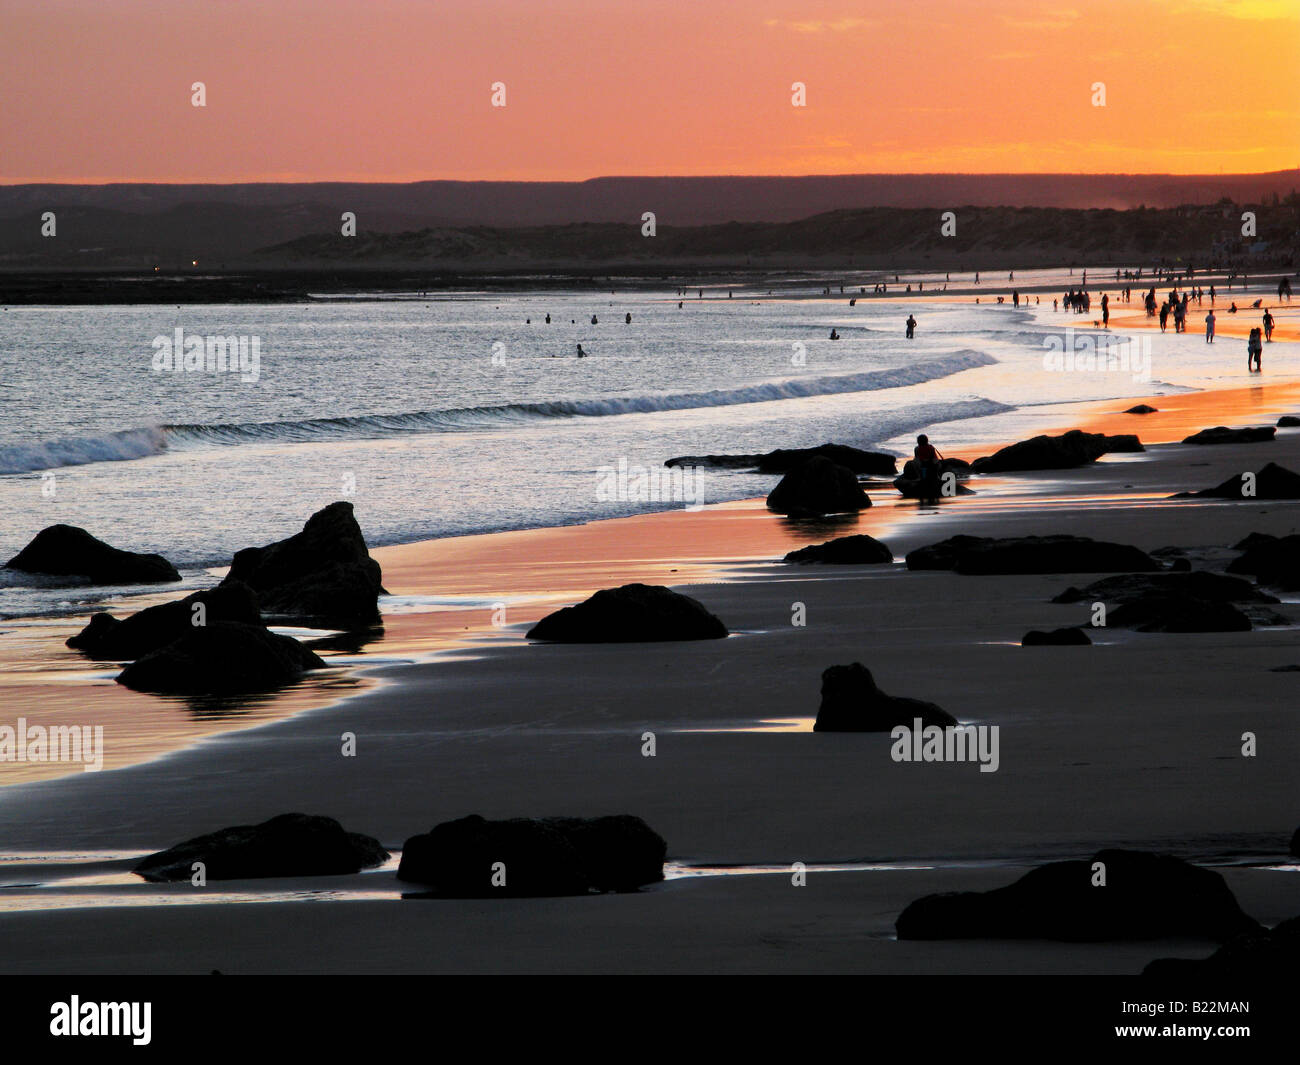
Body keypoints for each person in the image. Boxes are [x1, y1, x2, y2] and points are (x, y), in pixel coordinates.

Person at [914, 434, 943, 503]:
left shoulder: (917, 449)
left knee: (915, 462)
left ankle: (920, 477)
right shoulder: (931, 448)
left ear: (918, 442)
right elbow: (934, 457)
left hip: (923, 466)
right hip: (932, 466)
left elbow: (917, 457)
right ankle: (937, 476)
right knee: (937, 463)